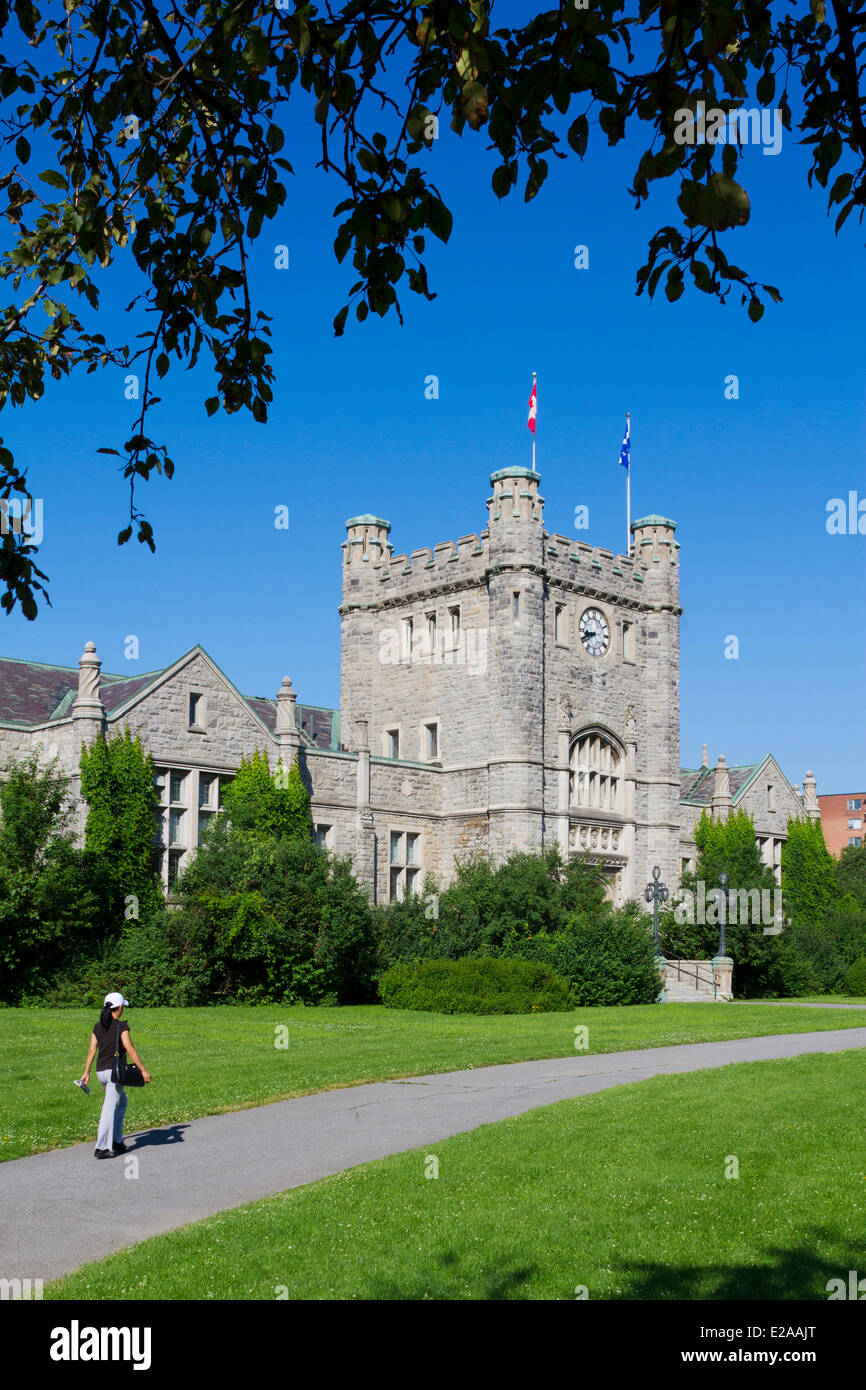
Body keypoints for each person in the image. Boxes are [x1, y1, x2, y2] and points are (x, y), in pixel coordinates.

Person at [80, 992, 151, 1159]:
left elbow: (92, 1051)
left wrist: (86, 1072)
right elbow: (130, 1049)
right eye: (122, 1007)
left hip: (101, 1072)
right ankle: (102, 1147)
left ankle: (117, 1140)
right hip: (114, 1073)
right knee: (109, 1108)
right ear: (119, 1008)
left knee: (121, 1102)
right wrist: (143, 1070)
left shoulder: (98, 1026)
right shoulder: (121, 1026)